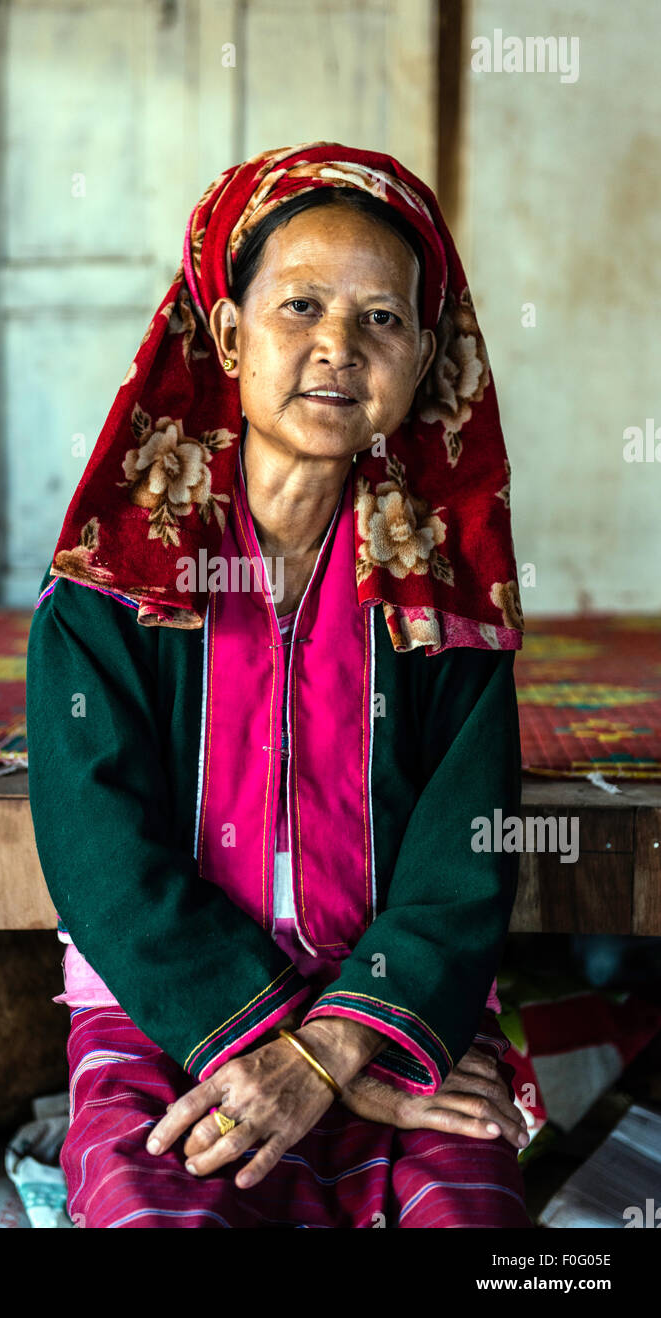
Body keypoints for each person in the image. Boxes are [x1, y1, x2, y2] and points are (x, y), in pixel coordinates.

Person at [26, 141, 533, 1228]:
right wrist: (289, 1047)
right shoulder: (111, 593)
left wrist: (349, 1039)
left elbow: (467, 846)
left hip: (400, 1021)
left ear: (424, 354)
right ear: (226, 335)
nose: (336, 348)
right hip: (174, 1021)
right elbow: (100, 856)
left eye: (381, 319)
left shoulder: (444, 605)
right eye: (297, 306)